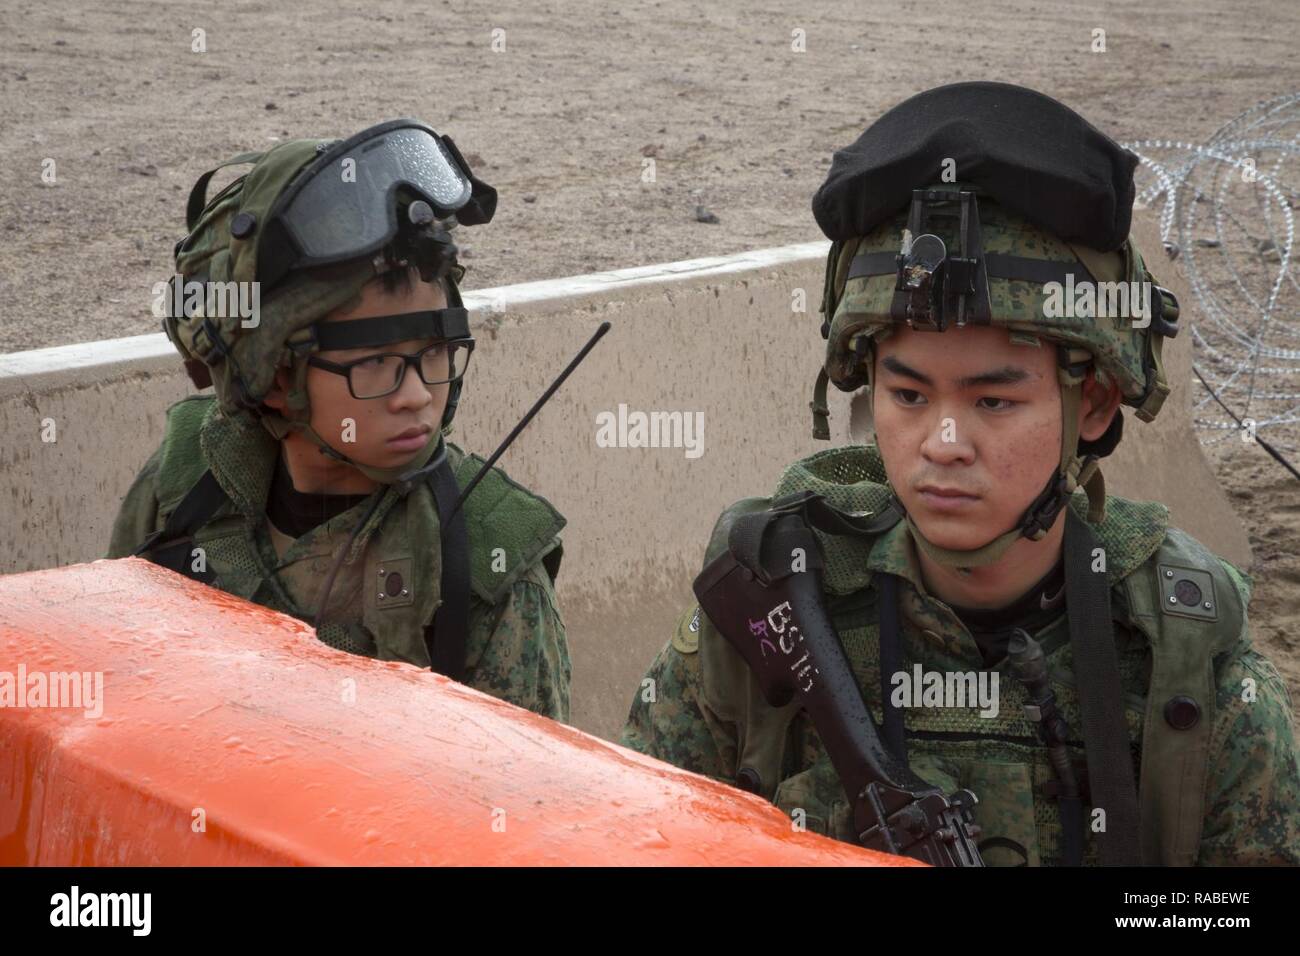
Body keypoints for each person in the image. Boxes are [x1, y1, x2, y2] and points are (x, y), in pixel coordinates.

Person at [621, 82, 1300, 865]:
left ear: (1096, 403)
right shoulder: (773, 600)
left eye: (994, 402)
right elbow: (640, 835)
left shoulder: (1185, 660)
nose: (942, 442)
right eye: (908, 395)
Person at [107, 119, 571, 721]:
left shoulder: (485, 564)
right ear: (277, 379)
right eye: (376, 364)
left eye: (433, 354)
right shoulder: (182, 488)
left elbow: (527, 799)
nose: (415, 397)